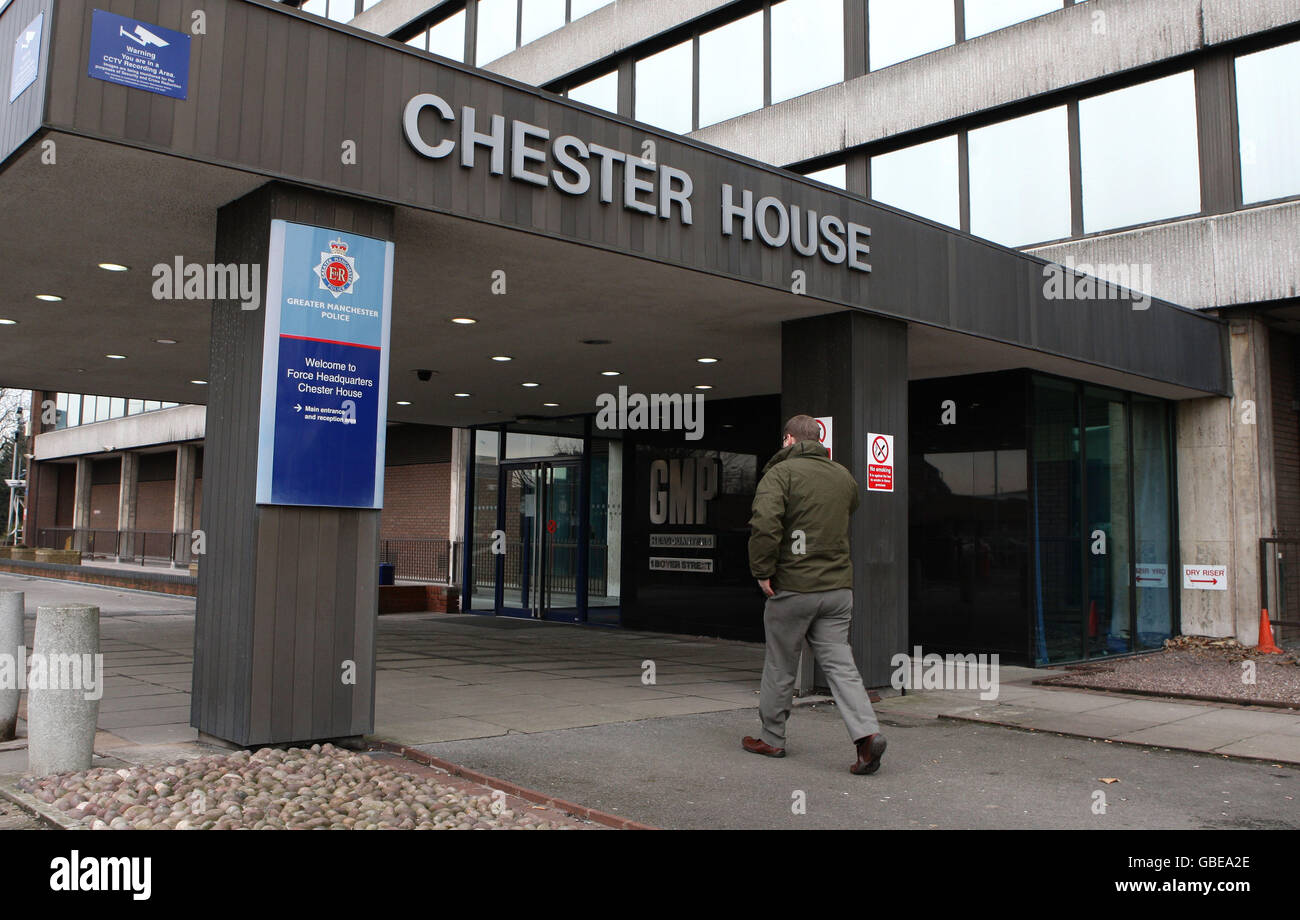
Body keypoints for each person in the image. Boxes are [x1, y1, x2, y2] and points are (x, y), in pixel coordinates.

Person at [743, 414, 887, 775]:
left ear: (789, 440)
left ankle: (772, 739)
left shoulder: (780, 474)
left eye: (784, 440)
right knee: (841, 665)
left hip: (794, 587)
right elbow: (844, 513)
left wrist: (762, 571)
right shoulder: (843, 476)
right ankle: (866, 736)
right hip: (838, 589)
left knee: (781, 663)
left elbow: (764, 524)